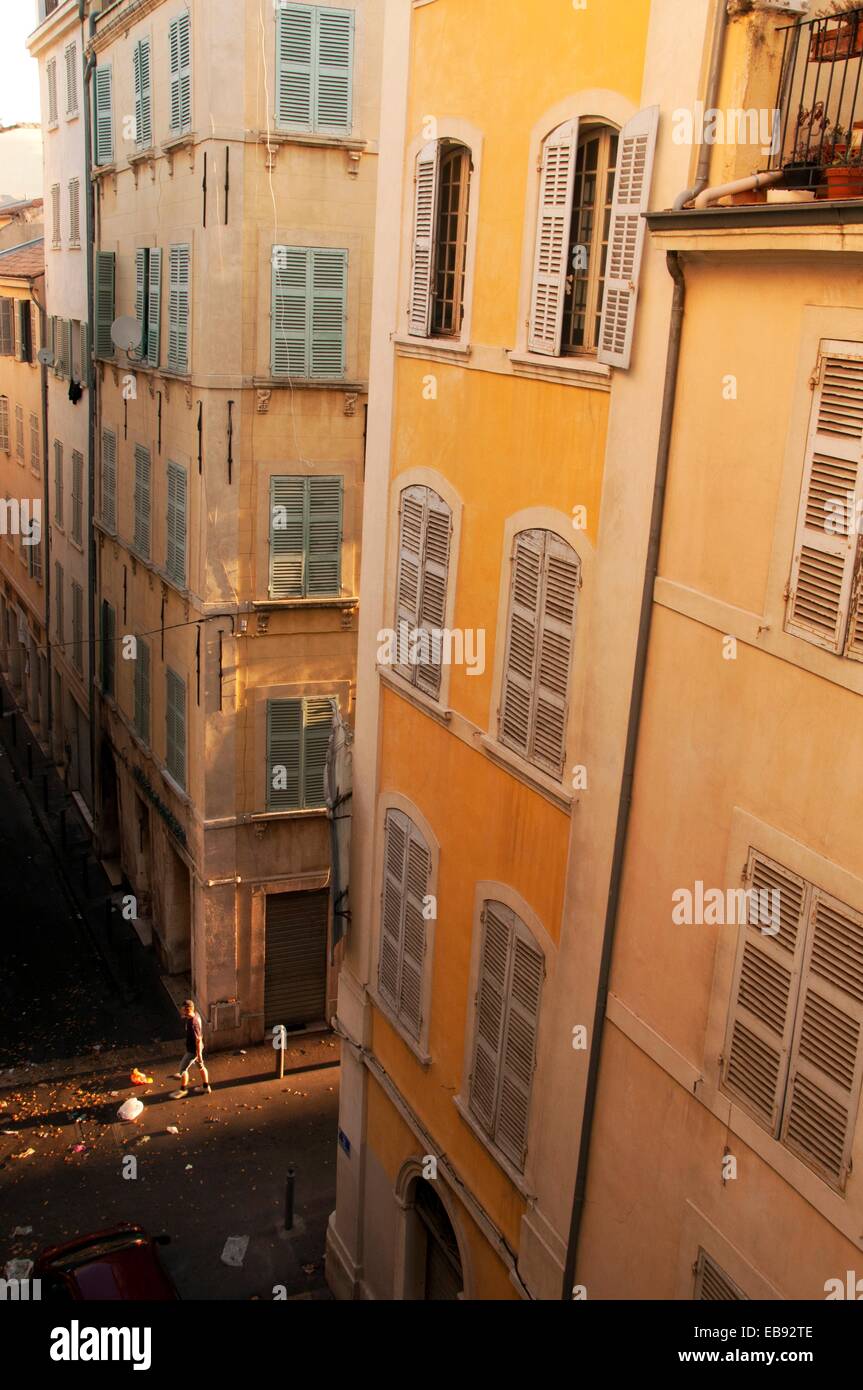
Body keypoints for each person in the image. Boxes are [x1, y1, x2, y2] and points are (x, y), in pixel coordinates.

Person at [171, 1000, 211, 1096]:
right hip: (198, 1048)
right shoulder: (196, 1015)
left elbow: (198, 1039)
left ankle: (183, 1090)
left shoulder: (192, 1023)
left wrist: (199, 1055)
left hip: (193, 1051)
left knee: (182, 1070)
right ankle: (206, 1087)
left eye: (183, 1010)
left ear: (187, 1010)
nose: (182, 1011)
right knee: (201, 1067)